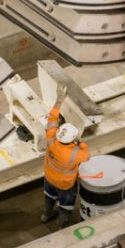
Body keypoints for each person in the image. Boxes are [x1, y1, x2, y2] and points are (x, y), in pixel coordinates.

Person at [41, 85, 89, 228]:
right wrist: (81, 144)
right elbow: (87, 156)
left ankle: (46, 215)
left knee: (49, 197)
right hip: (65, 185)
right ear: (73, 139)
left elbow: (52, 117)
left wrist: (59, 100)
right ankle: (63, 224)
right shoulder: (74, 153)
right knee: (66, 205)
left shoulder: (51, 138)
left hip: (49, 178)